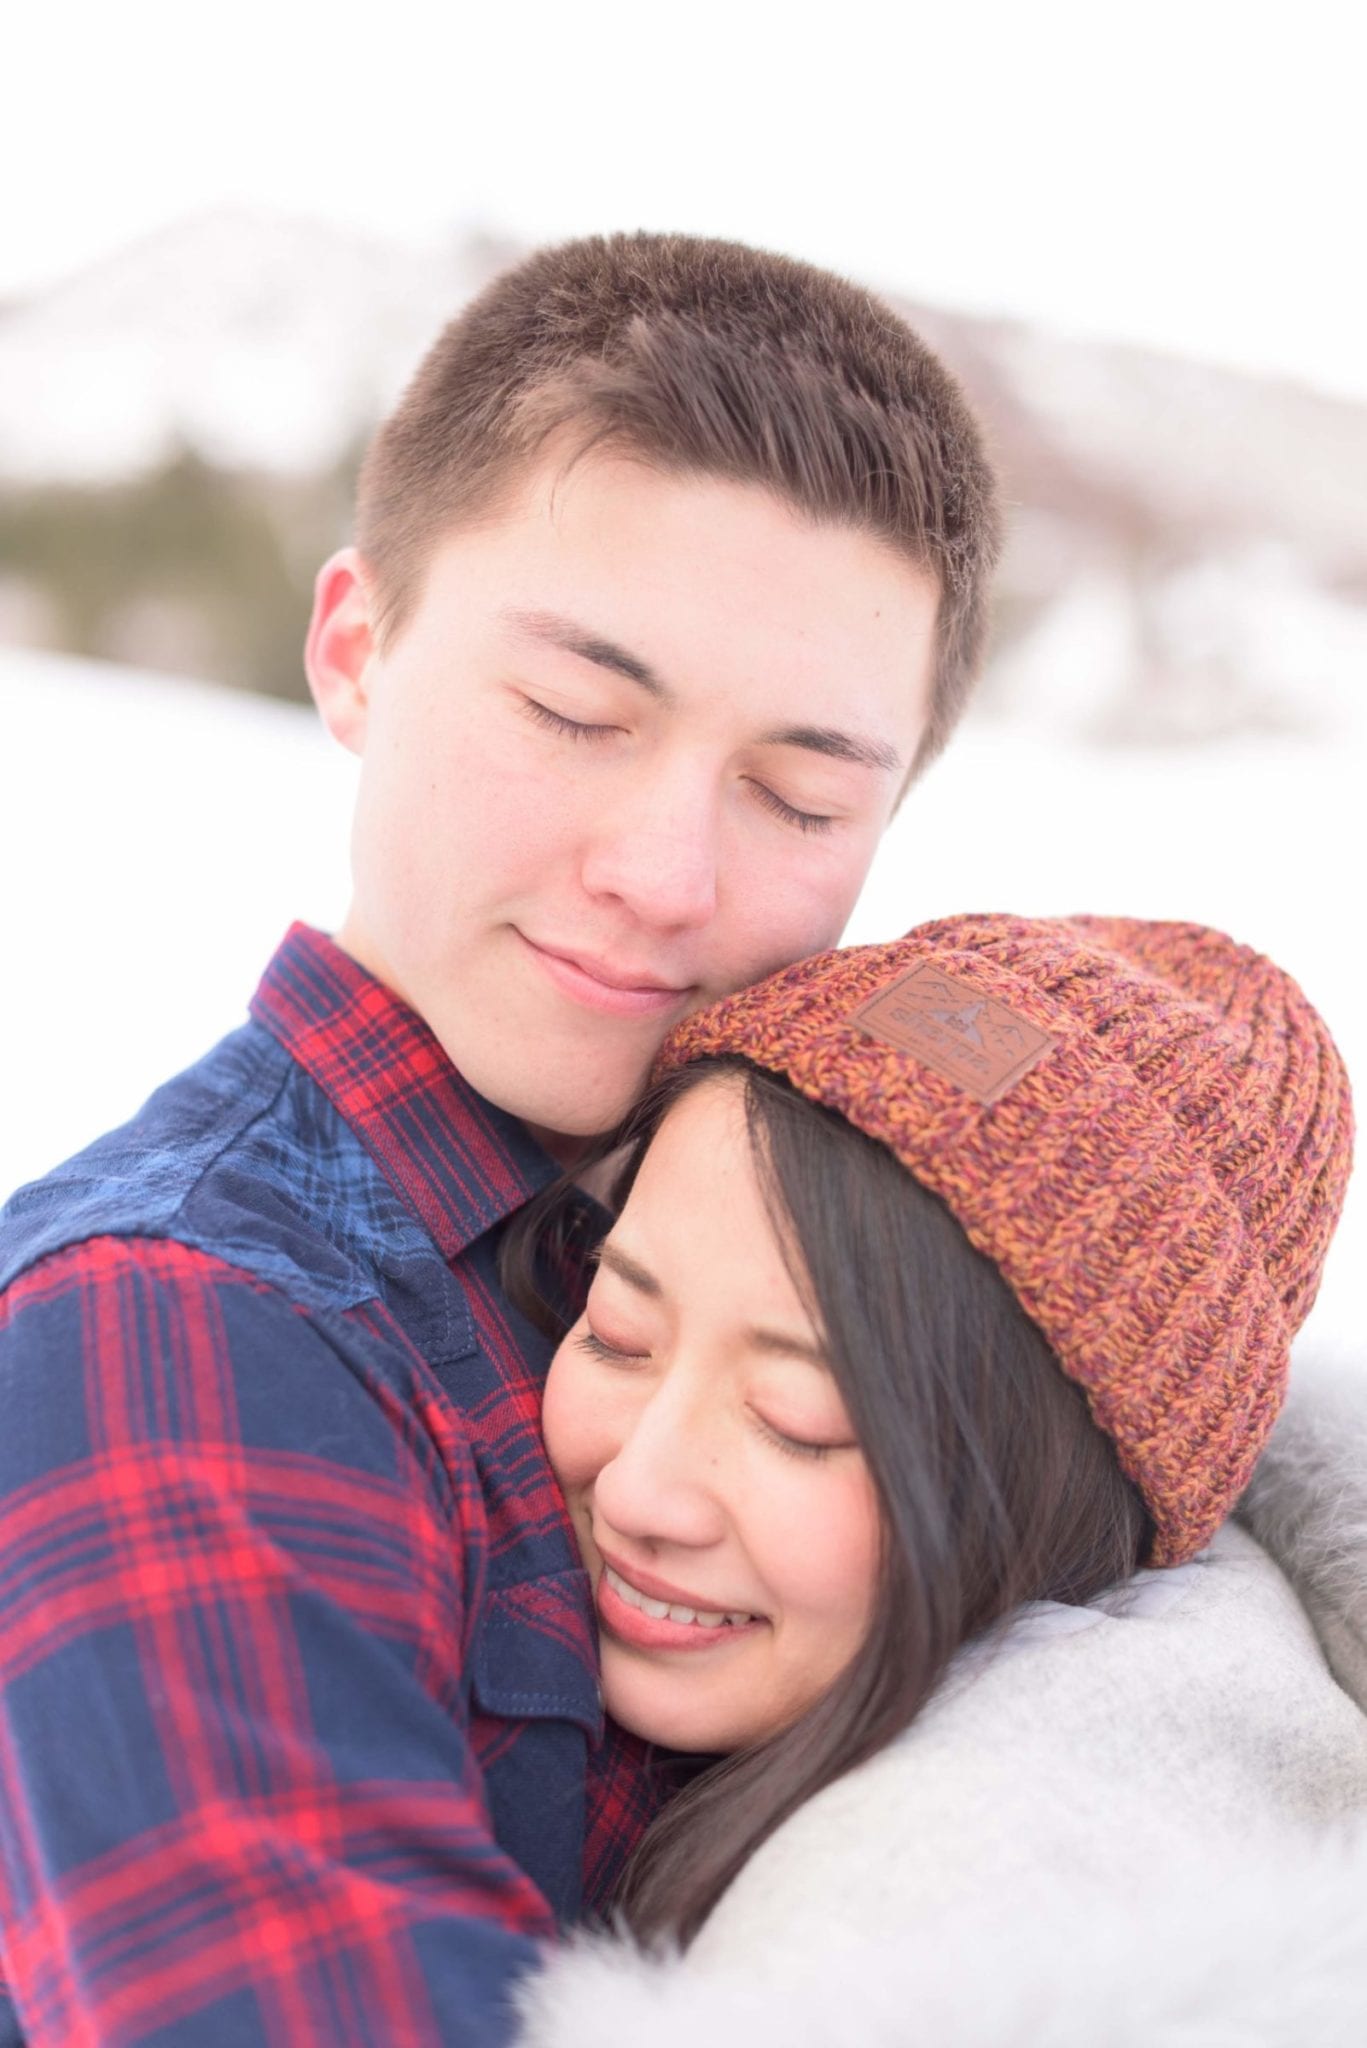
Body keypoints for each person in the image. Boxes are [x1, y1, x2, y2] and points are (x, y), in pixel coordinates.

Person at [0, 234, 1000, 2046]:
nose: (665, 876)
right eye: (574, 713)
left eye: (797, 793)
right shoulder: (177, 1329)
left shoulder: (842, 1219)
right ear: (356, 650)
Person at [509, 912, 1367, 2044]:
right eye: (618, 1331)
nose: (637, 1490)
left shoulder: (906, 1924)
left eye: (796, 1418)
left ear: (1060, 1482)